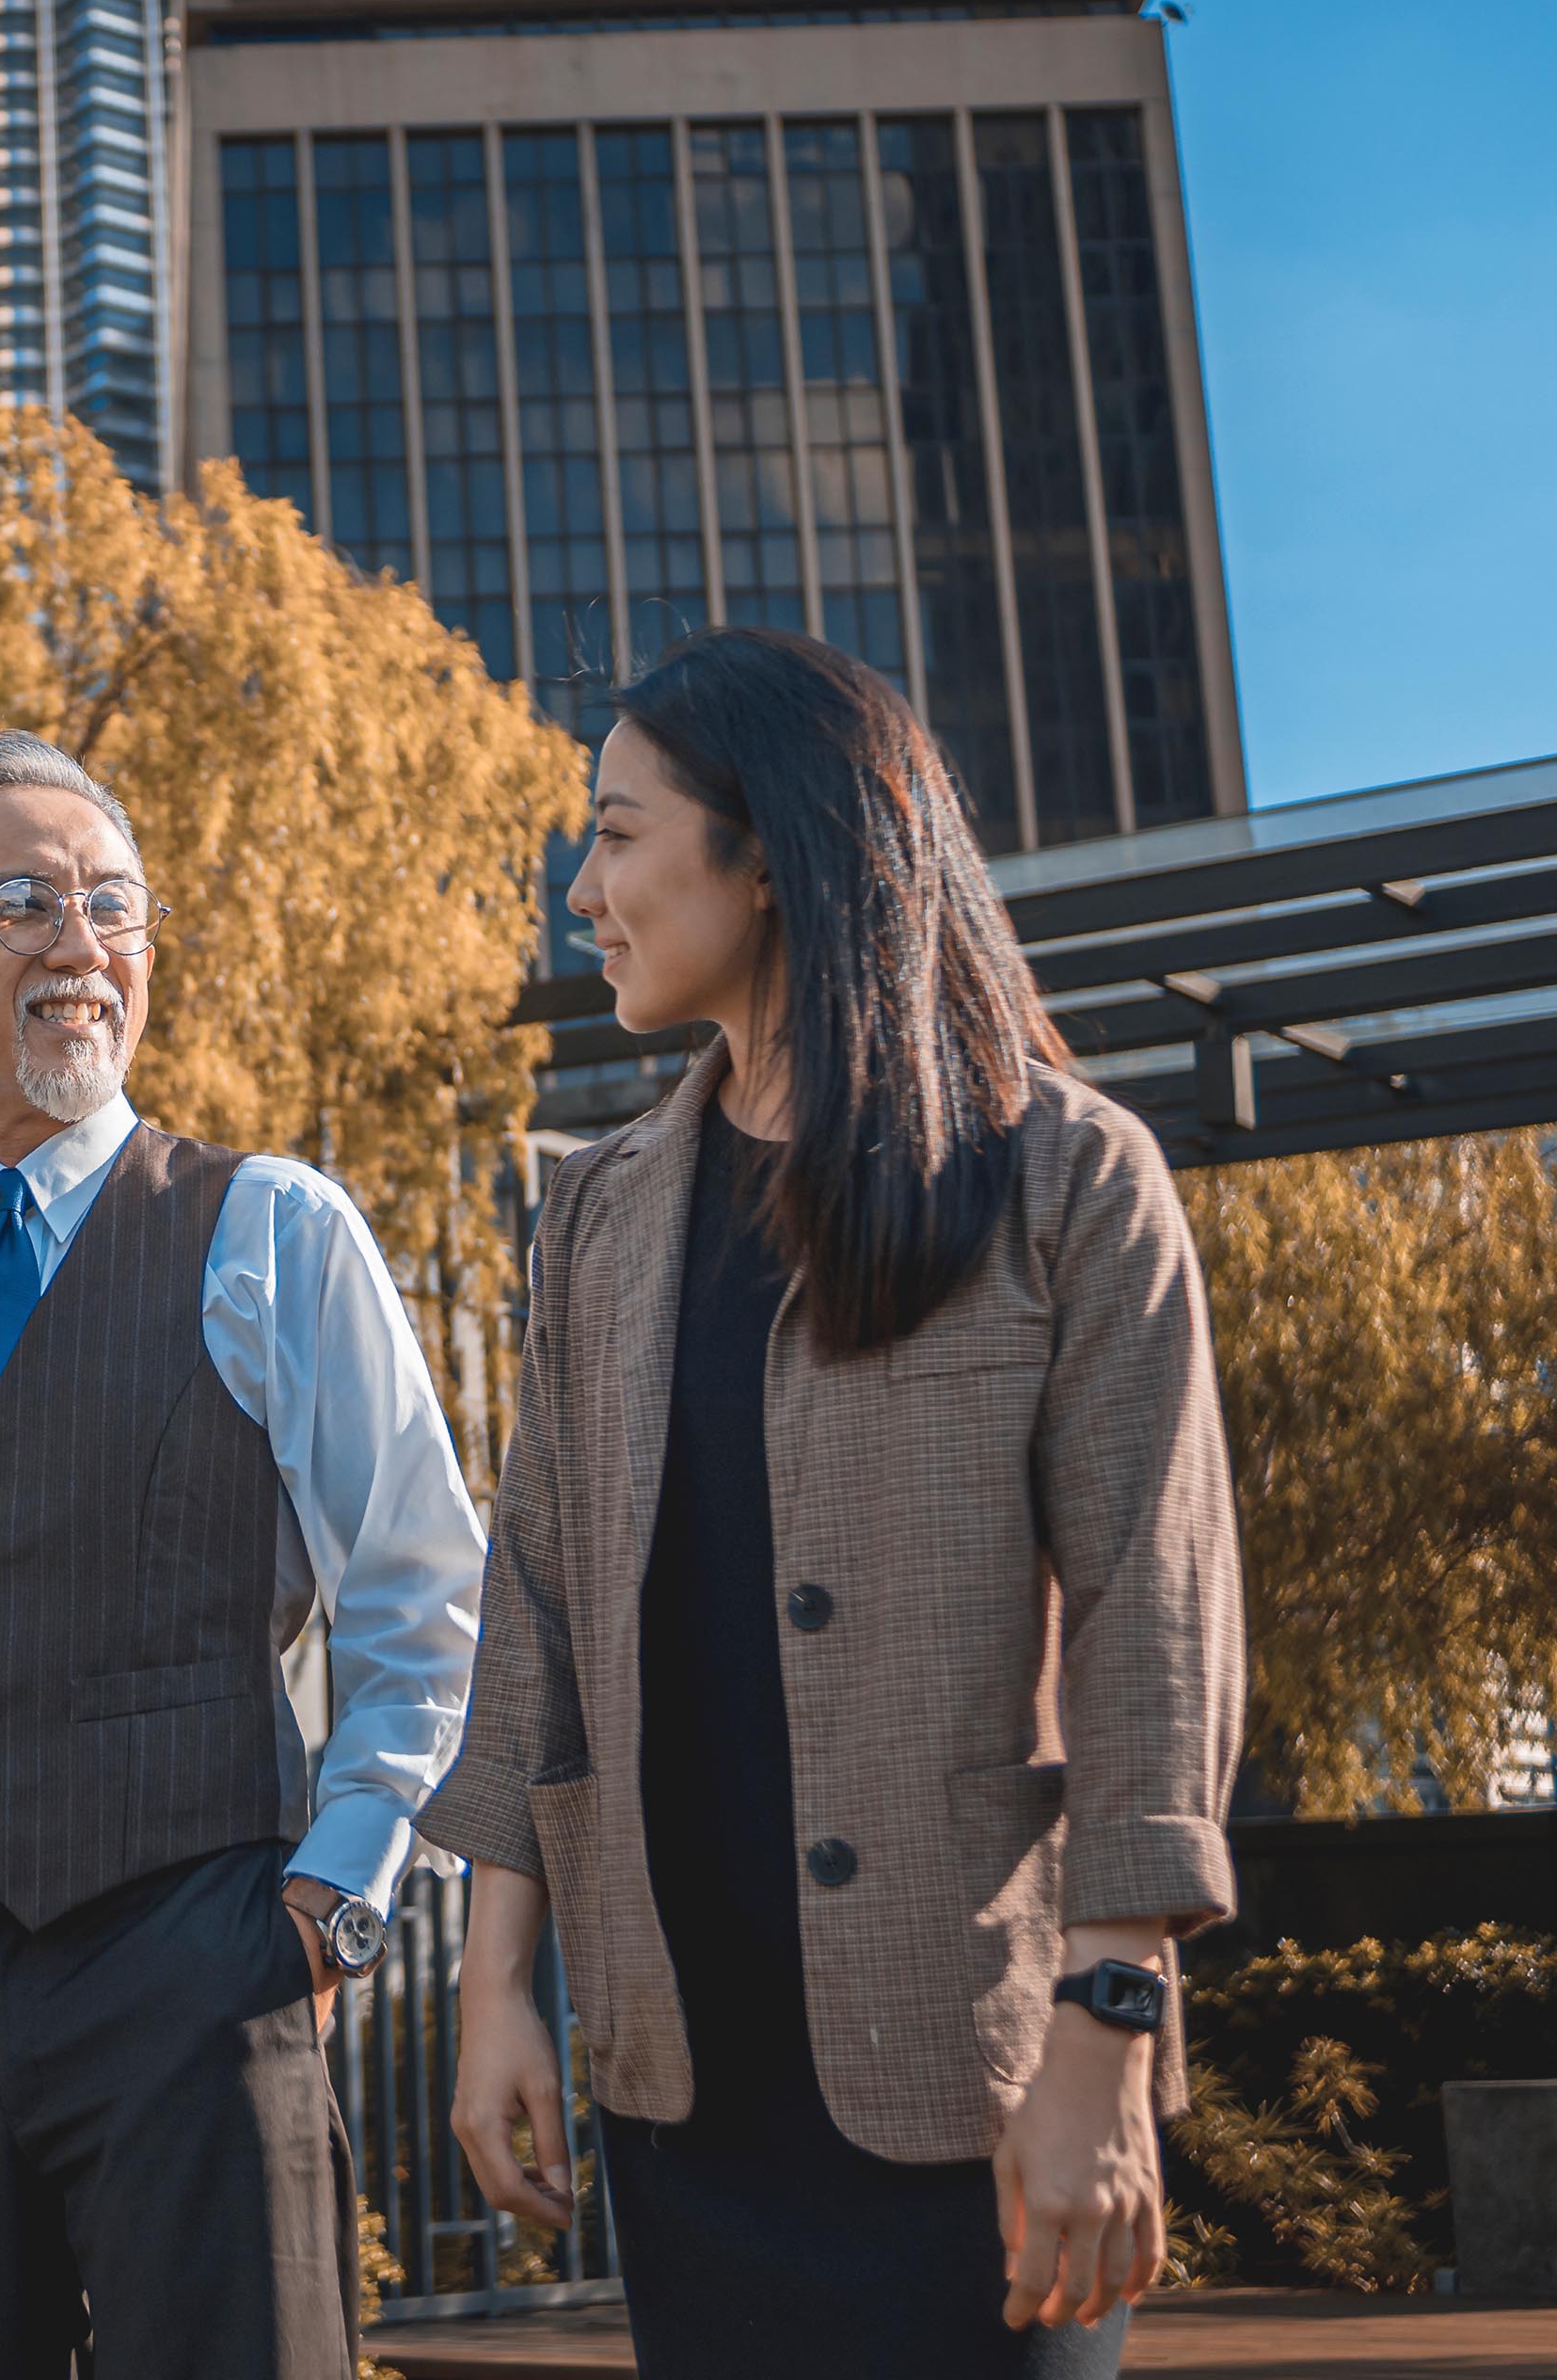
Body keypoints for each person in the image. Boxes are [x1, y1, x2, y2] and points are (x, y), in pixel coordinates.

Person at [423, 630, 1245, 2378]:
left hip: (979, 2085)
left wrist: (1109, 2024)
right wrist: (501, 1985)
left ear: (775, 855)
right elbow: (539, 1608)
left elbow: (1151, 1633)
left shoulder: (1068, 1180)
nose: (584, 887)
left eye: (620, 833)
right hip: (680, 2094)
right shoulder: (600, 1213)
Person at [0, 732, 486, 2380]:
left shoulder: (272, 1230)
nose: (83, 943)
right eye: (24, 903)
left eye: (113, 905)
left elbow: (426, 1602)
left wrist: (333, 1907)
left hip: (200, 1980)